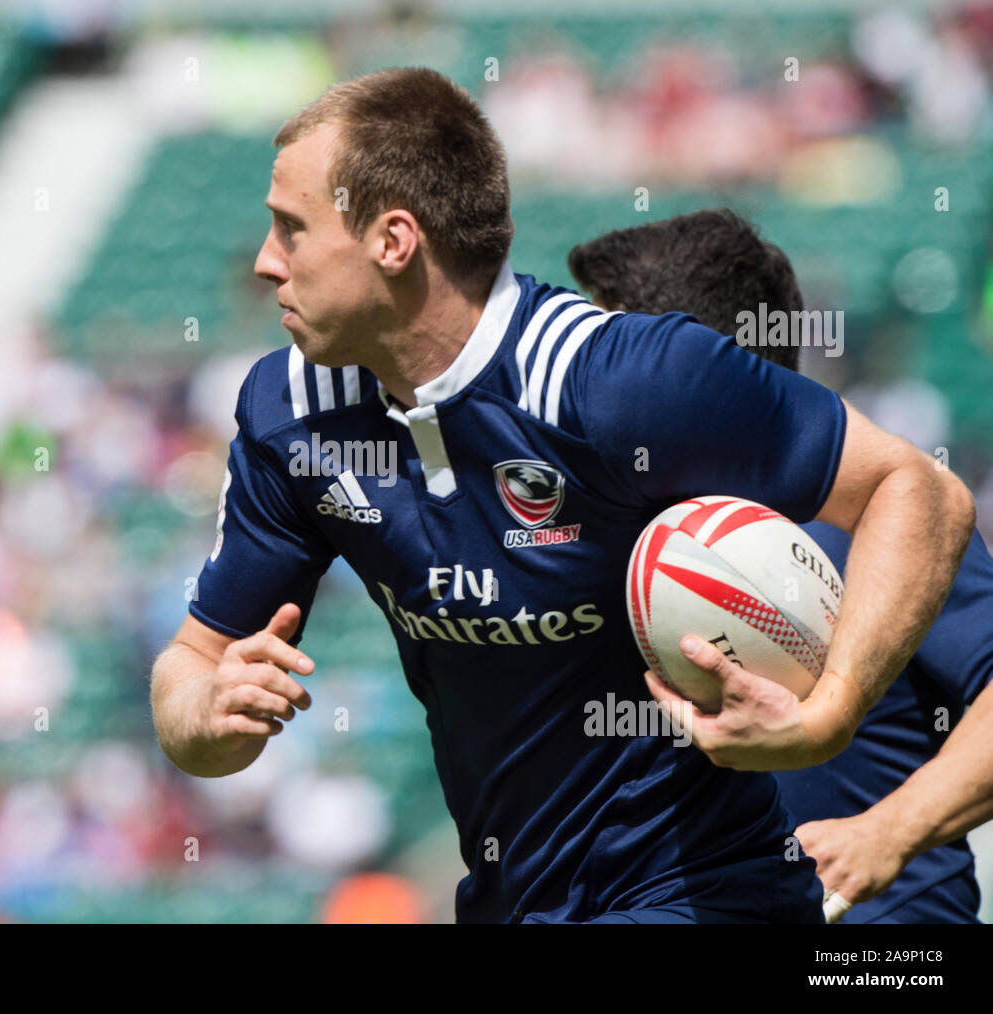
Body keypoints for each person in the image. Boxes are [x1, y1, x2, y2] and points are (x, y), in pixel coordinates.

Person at [150, 68, 976, 923]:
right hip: (510, 897)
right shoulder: (292, 415)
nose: (263, 260)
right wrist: (205, 717)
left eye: (291, 228)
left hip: (702, 896)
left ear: (393, 241)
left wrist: (830, 713)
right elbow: (192, 667)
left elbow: (919, 490)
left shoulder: (624, 383)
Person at [568, 207, 993, 922]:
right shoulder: (605, 542)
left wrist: (887, 833)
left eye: (601, 351)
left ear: (677, 364)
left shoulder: (883, 518)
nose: (579, 382)